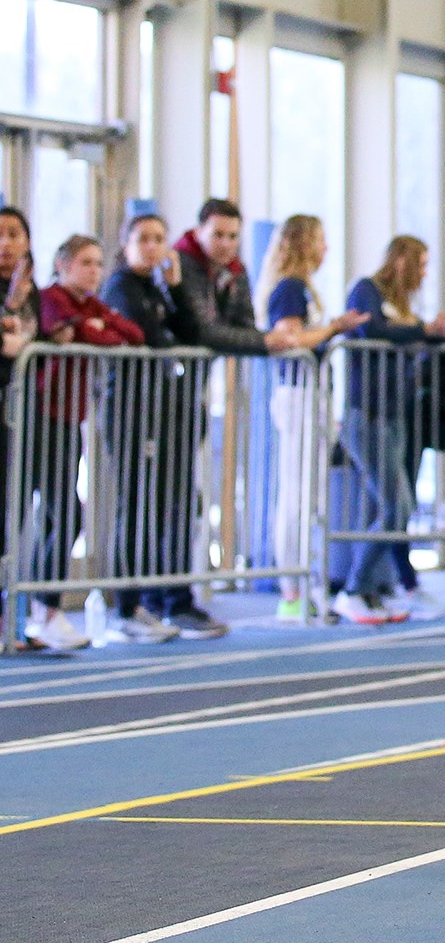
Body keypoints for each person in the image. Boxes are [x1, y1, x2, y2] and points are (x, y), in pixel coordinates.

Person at [162, 199, 295, 638]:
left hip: (193, 396)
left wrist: (257, 339)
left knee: (188, 503)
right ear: (198, 231)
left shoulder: (234, 272)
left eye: (232, 236)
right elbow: (205, 331)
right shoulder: (180, 264)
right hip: (155, 396)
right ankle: (153, 601)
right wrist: (260, 342)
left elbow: (244, 326)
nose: (225, 244)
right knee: (158, 503)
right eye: (216, 234)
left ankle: (176, 598)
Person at [22, 236, 146, 650]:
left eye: (98, 263)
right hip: (36, 417)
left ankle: (46, 609)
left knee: (66, 515)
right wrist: (89, 330)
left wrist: (94, 328)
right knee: (39, 514)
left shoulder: (91, 305)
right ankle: (35, 610)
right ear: (62, 264)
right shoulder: (49, 299)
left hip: (67, 418)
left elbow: (129, 333)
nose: (94, 271)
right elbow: (74, 333)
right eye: (85, 263)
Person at [338, 236, 445, 625]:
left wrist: (430, 331)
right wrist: (422, 328)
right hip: (366, 415)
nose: (424, 274)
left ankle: (375, 588)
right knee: (397, 505)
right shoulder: (366, 290)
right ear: (402, 262)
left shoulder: (406, 308)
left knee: (388, 507)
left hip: (394, 416)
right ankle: (354, 589)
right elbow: (372, 329)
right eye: (421, 265)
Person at [259, 214, 365, 624]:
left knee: (311, 495)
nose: (326, 249)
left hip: (313, 395)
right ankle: (292, 588)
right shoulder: (290, 289)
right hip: (298, 394)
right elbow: (289, 339)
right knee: (298, 495)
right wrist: (334, 327)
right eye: (320, 241)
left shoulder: (302, 290)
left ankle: (308, 583)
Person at [100, 214, 200, 645]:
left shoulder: (156, 288)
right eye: (143, 239)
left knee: (165, 506)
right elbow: (148, 340)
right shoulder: (121, 287)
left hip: (162, 410)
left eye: (160, 239)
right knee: (136, 505)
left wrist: (176, 288)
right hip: (130, 409)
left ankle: (157, 598)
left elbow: (190, 333)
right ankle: (125, 606)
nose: (153, 247)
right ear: (125, 245)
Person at [0, 208, 40, 649]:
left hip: (19, 420)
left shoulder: (31, 293)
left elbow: (37, 339)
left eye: (14, 235)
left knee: (13, 520)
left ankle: (12, 619)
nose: (6, 244)